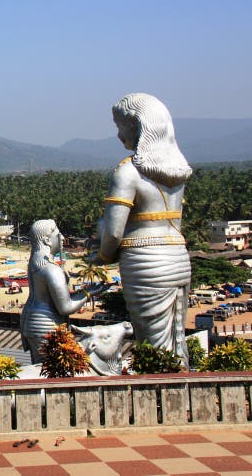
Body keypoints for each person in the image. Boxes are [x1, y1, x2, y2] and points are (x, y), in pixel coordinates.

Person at [88, 93, 192, 368]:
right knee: (176, 338)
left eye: (120, 125)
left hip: (145, 263)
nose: (118, 133)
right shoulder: (178, 169)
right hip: (178, 257)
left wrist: (102, 255)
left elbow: (112, 233)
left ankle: (160, 401)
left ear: (136, 125)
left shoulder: (128, 172)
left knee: (151, 343)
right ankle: (181, 389)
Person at [20, 219, 89, 364]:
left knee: (39, 366)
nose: (63, 238)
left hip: (30, 320)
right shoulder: (51, 269)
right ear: (47, 240)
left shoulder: (35, 262)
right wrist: (88, 294)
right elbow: (65, 308)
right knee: (53, 369)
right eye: (59, 235)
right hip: (46, 324)